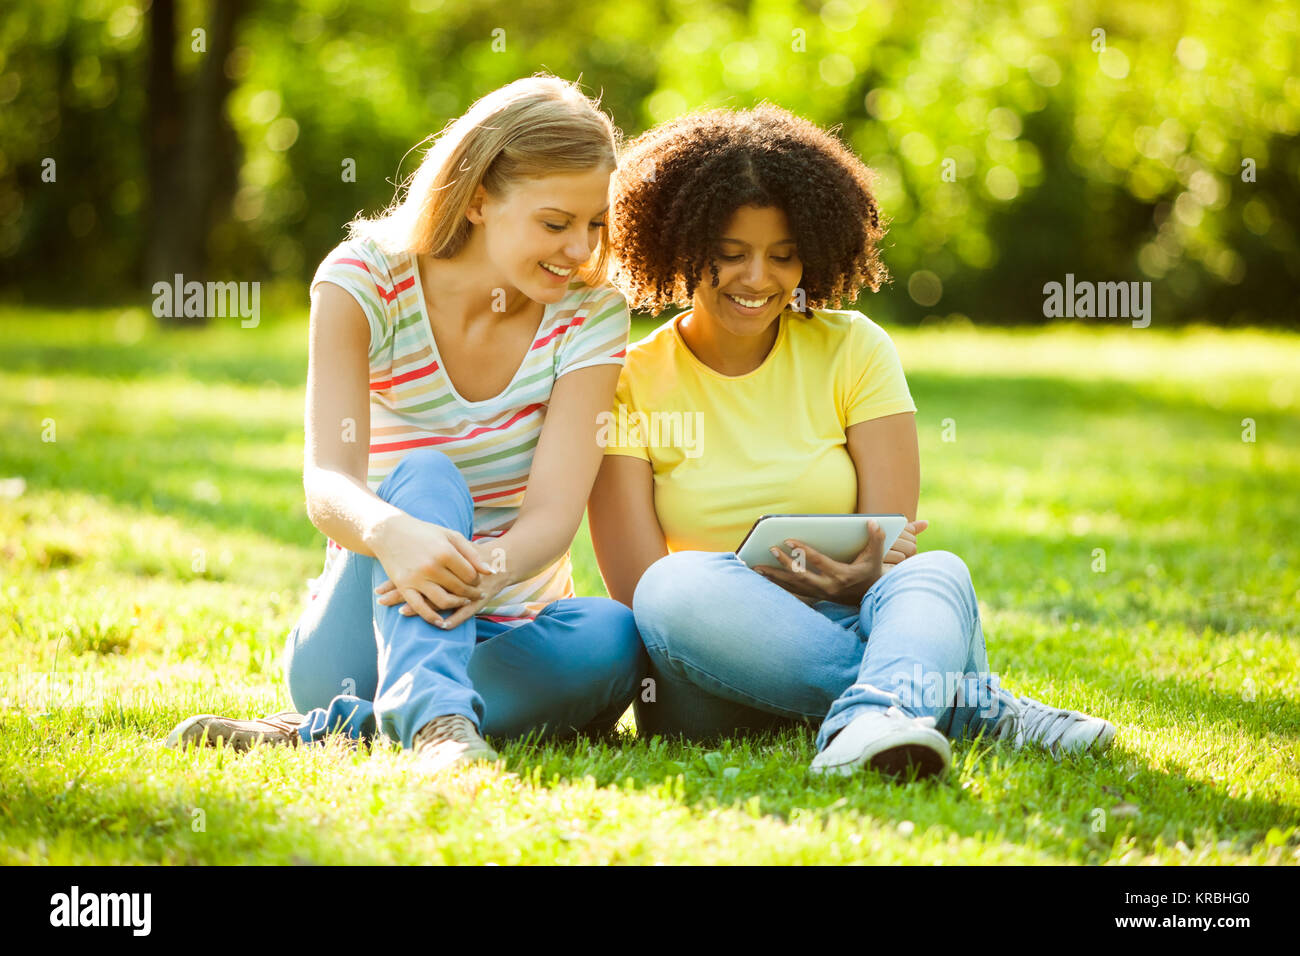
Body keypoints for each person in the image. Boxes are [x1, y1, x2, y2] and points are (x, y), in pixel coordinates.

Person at [587, 104, 1115, 779]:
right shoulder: (629, 380)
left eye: (783, 256)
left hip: (852, 622)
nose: (758, 280)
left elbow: (889, 545)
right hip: (708, 668)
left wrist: (851, 577)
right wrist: (786, 587)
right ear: (680, 245)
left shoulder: (855, 348)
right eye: (730, 255)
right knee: (674, 585)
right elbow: (638, 590)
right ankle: (963, 706)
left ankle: (872, 720)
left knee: (936, 572)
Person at [167, 75, 646, 773]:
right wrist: (397, 537)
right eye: (555, 222)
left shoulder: (592, 314)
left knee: (616, 635)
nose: (580, 248)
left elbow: (553, 514)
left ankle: (339, 729)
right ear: (480, 198)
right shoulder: (364, 280)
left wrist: (483, 572)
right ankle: (438, 725)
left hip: (506, 624)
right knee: (426, 473)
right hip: (364, 629)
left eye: (595, 223)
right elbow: (329, 483)